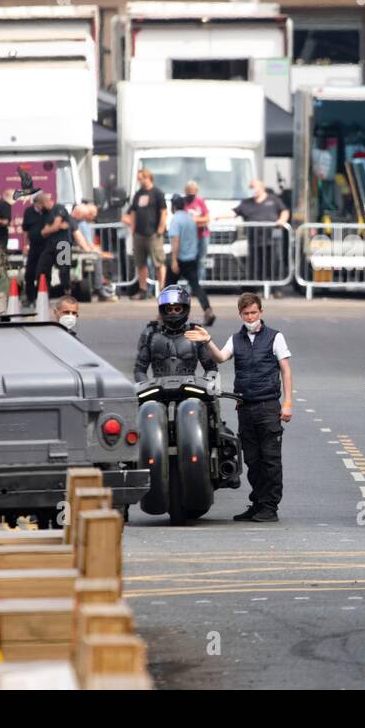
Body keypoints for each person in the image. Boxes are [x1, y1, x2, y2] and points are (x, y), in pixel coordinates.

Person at [188, 292, 293, 523]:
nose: (250, 317)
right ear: (240, 314)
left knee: (270, 459)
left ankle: (270, 507)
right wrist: (207, 341)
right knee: (252, 460)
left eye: (254, 312)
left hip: (268, 406)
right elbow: (220, 357)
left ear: (261, 312)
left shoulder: (275, 337)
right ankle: (258, 503)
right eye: (246, 313)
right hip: (245, 407)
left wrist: (287, 403)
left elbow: (285, 370)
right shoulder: (236, 339)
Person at [135, 284, 217, 382]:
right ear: (163, 310)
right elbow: (139, 370)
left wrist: (206, 385)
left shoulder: (195, 332)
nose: (173, 312)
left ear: (185, 309)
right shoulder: (151, 333)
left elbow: (211, 368)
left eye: (177, 309)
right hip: (158, 393)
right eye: (169, 309)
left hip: (190, 392)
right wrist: (145, 386)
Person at [168, 193, 216, 326]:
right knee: (196, 286)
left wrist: (173, 260)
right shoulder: (190, 219)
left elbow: (175, 240)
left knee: (169, 287)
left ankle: (165, 313)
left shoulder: (175, 219)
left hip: (179, 258)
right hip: (191, 258)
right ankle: (207, 310)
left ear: (173, 206)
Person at [233, 180, 289, 292]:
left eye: (254, 187)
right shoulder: (246, 203)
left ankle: (276, 289)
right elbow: (234, 212)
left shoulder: (273, 200)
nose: (252, 189)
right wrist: (217, 217)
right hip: (254, 241)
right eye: (250, 187)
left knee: (274, 265)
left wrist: (282, 220)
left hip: (272, 240)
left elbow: (284, 211)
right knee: (255, 267)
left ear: (261, 187)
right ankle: (256, 290)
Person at [122, 169, 167, 300]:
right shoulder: (138, 194)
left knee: (158, 262)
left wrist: (160, 228)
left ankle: (162, 289)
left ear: (149, 178)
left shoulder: (157, 193)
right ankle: (143, 290)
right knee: (140, 263)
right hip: (139, 234)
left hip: (153, 234)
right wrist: (133, 228)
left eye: (141, 178)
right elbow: (133, 212)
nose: (139, 181)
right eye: (138, 178)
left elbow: (163, 211)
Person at [71, 202, 116, 302]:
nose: (94, 216)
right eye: (91, 214)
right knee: (97, 258)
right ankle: (99, 287)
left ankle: (102, 285)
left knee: (101, 256)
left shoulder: (75, 222)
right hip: (74, 251)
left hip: (71, 250)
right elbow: (83, 242)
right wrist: (95, 252)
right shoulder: (79, 224)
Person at [184, 180, 211, 277]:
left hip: (202, 235)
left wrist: (195, 220)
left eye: (193, 192)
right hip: (189, 237)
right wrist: (199, 221)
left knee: (201, 260)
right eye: (189, 192)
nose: (191, 194)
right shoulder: (183, 202)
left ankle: (200, 284)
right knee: (189, 260)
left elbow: (207, 218)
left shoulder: (200, 201)